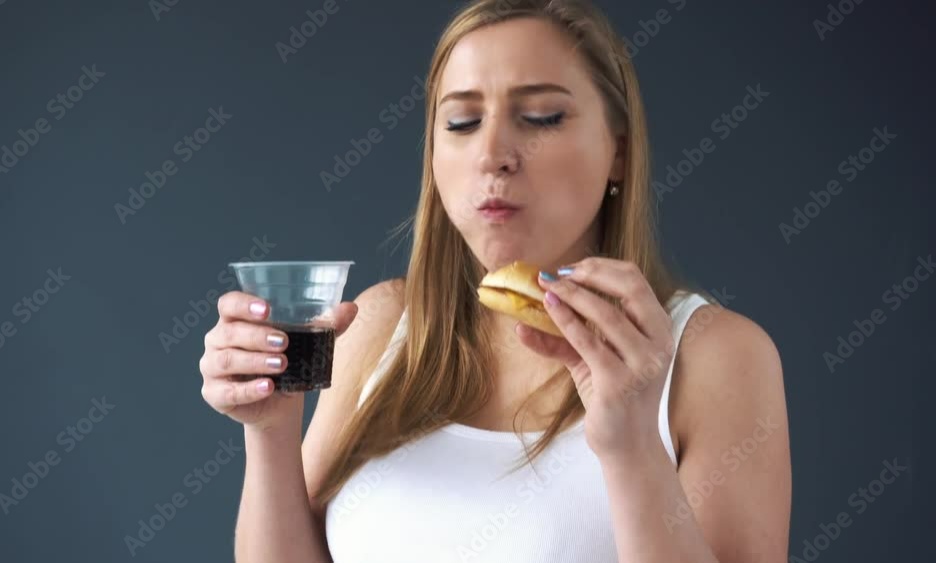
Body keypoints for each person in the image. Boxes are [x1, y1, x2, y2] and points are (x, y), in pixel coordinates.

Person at [199, 0, 791, 561]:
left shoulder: (715, 356)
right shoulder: (382, 326)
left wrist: (633, 446)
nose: (493, 154)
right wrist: (271, 431)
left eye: (541, 117)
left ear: (619, 151)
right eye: (461, 122)